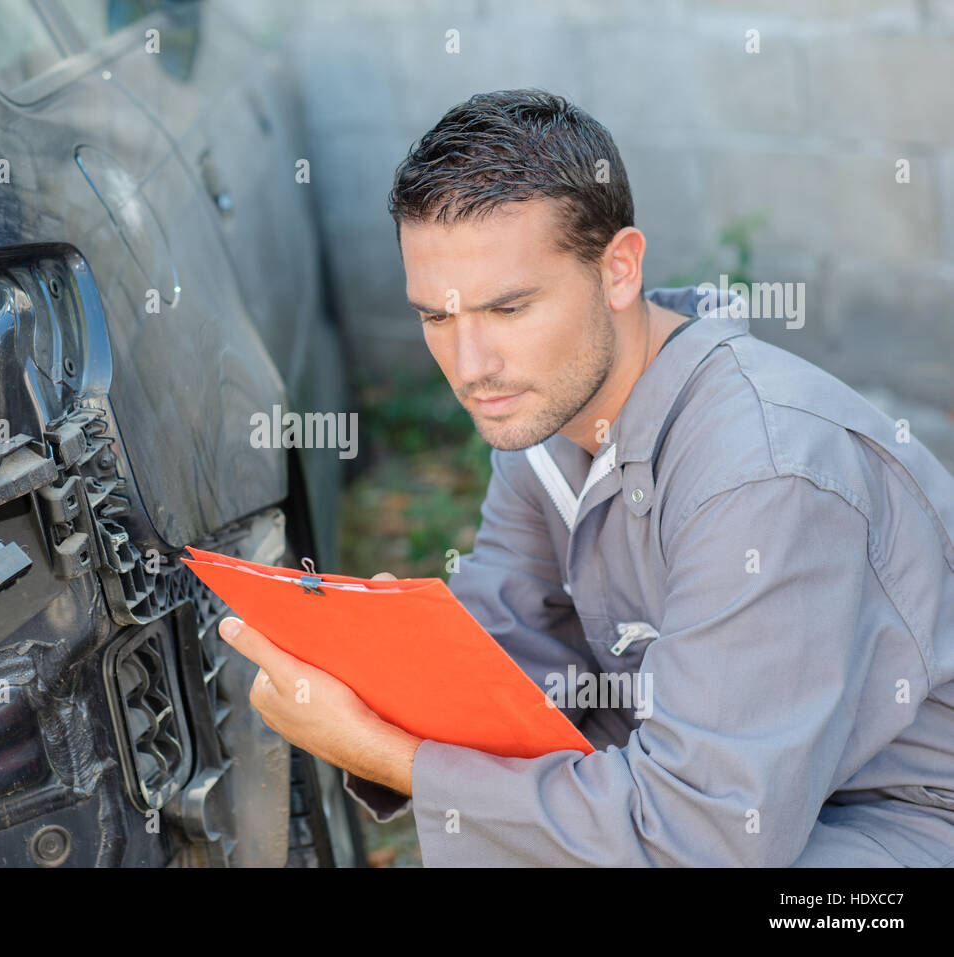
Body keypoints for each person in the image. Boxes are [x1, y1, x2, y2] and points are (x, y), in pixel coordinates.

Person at [217, 88, 954, 866]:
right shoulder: (547, 423)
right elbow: (514, 666)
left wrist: (395, 756)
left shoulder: (761, 474)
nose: (470, 369)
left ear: (619, 270)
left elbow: (703, 838)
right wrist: (385, 675)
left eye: (508, 309)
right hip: (734, 787)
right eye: (437, 316)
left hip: (897, 827)